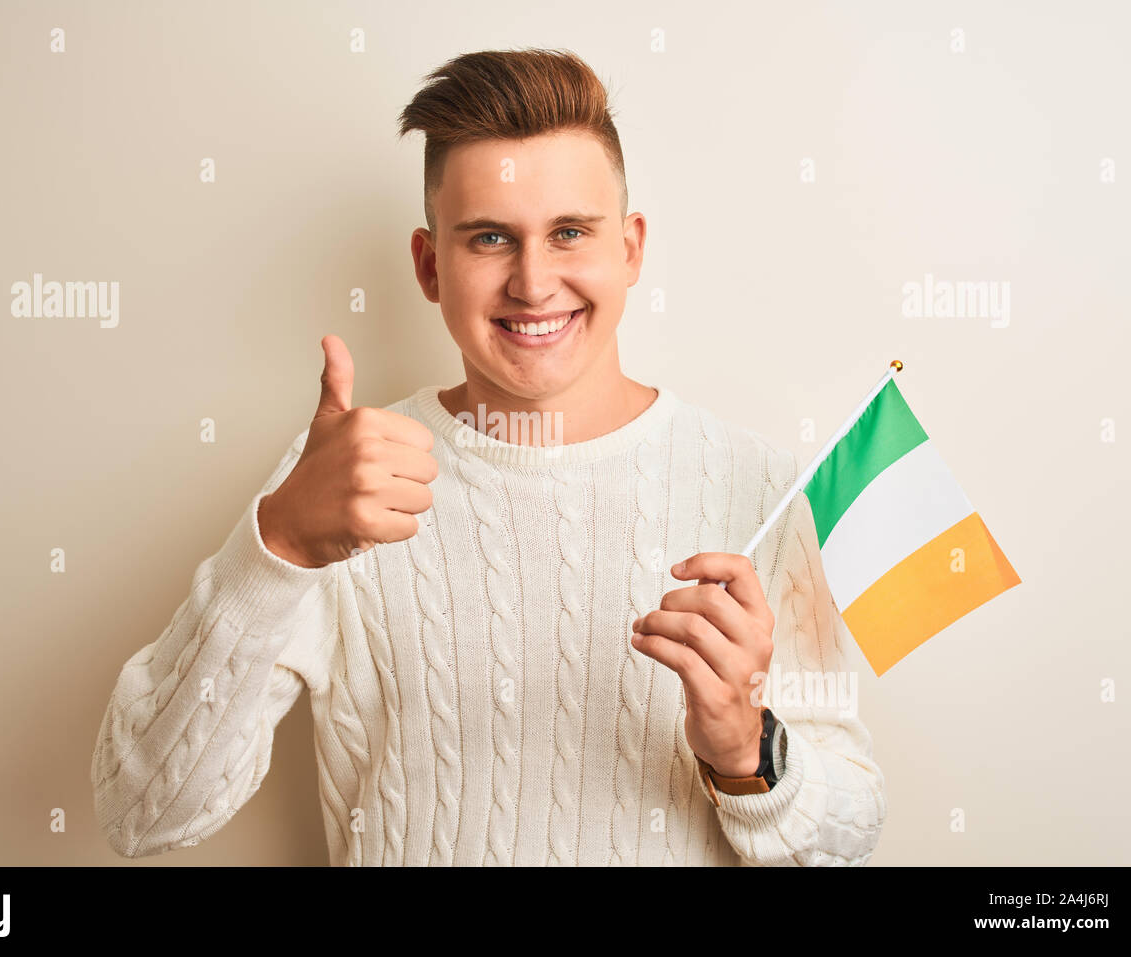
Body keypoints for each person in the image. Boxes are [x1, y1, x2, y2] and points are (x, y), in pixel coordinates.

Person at [90, 47, 886, 866]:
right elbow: (143, 812)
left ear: (631, 248)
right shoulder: (344, 481)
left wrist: (748, 754)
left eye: (570, 232)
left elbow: (849, 834)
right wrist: (278, 548)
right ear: (431, 266)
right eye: (491, 239)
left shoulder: (762, 488)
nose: (534, 283)